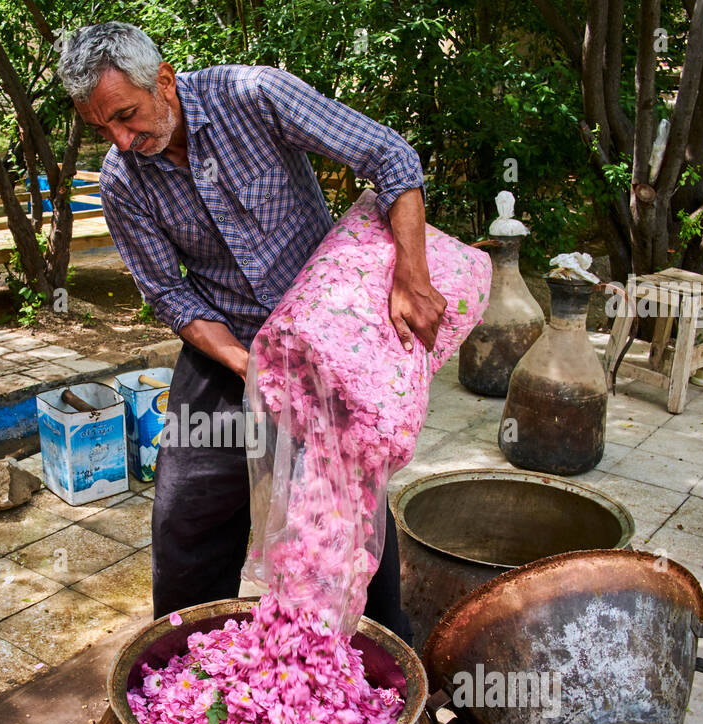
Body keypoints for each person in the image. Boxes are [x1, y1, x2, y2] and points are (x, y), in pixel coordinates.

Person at [58, 22, 446, 646]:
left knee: (348, 500)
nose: (122, 140)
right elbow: (169, 294)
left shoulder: (253, 94)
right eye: (103, 128)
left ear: (163, 79)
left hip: (323, 330)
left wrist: (412, 273)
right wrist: (249, 365)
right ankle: (188, 668)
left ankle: (379, 657)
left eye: (127, 117)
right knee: (187, 506)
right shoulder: (122, 180)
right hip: (227, 341)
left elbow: (392, 158)